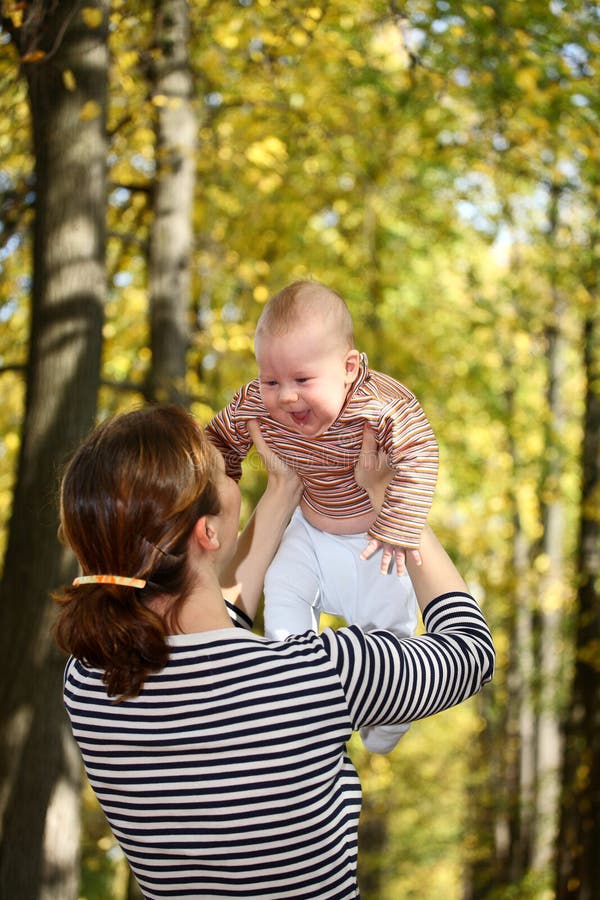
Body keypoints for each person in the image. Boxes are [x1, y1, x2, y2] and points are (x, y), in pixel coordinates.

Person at [54, 403, 494, 900]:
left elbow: (213, 644)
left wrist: (284, 492)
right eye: (225, 471)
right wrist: (397, 506)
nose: (234, 474)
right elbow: (471, 652)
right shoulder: (319, 676)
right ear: (208, 533)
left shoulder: (89, 684)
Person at [207, 279, 439, 752]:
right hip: (309, 528)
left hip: (374, 538)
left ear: (349, 368)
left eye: (302, 381)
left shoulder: (380, 403)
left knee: (390, 626)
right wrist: (221, 479)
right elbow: (218, 438)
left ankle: (389, 718)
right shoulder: (257, 401)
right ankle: (289, 676)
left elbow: (420, 451)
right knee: (283, 584)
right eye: (271, 381)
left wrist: (398, 521)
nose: (286, 397)